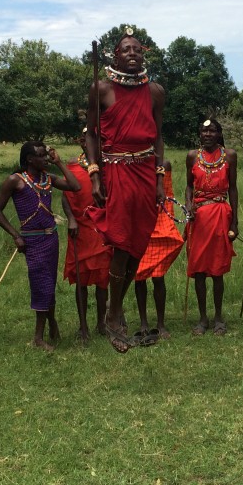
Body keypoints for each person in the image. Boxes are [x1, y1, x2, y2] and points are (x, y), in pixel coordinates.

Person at [85, 27, 166, 353]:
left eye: (137, 49)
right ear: (115, 56)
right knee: (121, 242)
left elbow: (158, 136)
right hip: (116, 171)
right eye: (125, 49)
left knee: (138, 244)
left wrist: (160, 179)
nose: (132, 53)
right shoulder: (101, 89)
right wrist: (94, 176)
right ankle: (114, 314)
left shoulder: (156, 92)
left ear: (143, 54)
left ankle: (115, 308)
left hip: (146, 171)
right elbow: (91, 134)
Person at [0, 141, 81, 351]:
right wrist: (15, 235)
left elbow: (75, 186)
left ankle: (52, 324)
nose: (45, 159)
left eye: (46, 155)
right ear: (30, 159)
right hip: (32, 240)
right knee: (41, 285)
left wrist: (59, 163)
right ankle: (38, 338)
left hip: (51, 238)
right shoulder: (16, 180)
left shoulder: (47, 179)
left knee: (49, 284)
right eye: (41, 156)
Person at [185, 118, 238, 336]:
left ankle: (218, 318)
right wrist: (188, 205)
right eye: (204, 131)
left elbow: (233, 189)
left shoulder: (230, 155)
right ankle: (202, 319)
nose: (207, 134)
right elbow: (189, 187)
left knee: (217, 270)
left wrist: (235, 221)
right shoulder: (191, 156)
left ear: (219, 134)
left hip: (219, 215)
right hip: (198, 219)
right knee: (198, 270)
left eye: (212, 131)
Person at [62, 128, 112, 341]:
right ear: (81, 141)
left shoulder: (109, 166)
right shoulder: (72, 165)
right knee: (81, 280)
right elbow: (66, 196)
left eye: (97, 140)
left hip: (102, 228)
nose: (91, 143)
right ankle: (83, 326)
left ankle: (102, 322)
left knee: (103, 279)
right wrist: (71, 219)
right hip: (80, 228)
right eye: (87, 139)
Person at [133, 159, 185, 341]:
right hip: (139, 222)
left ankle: (161, 324)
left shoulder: (164, 164)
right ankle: (143, 323)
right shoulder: (133, 163)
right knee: (138, 276)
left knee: (158, 276)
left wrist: (167, 221)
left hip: (159, 221)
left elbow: (167, 195)